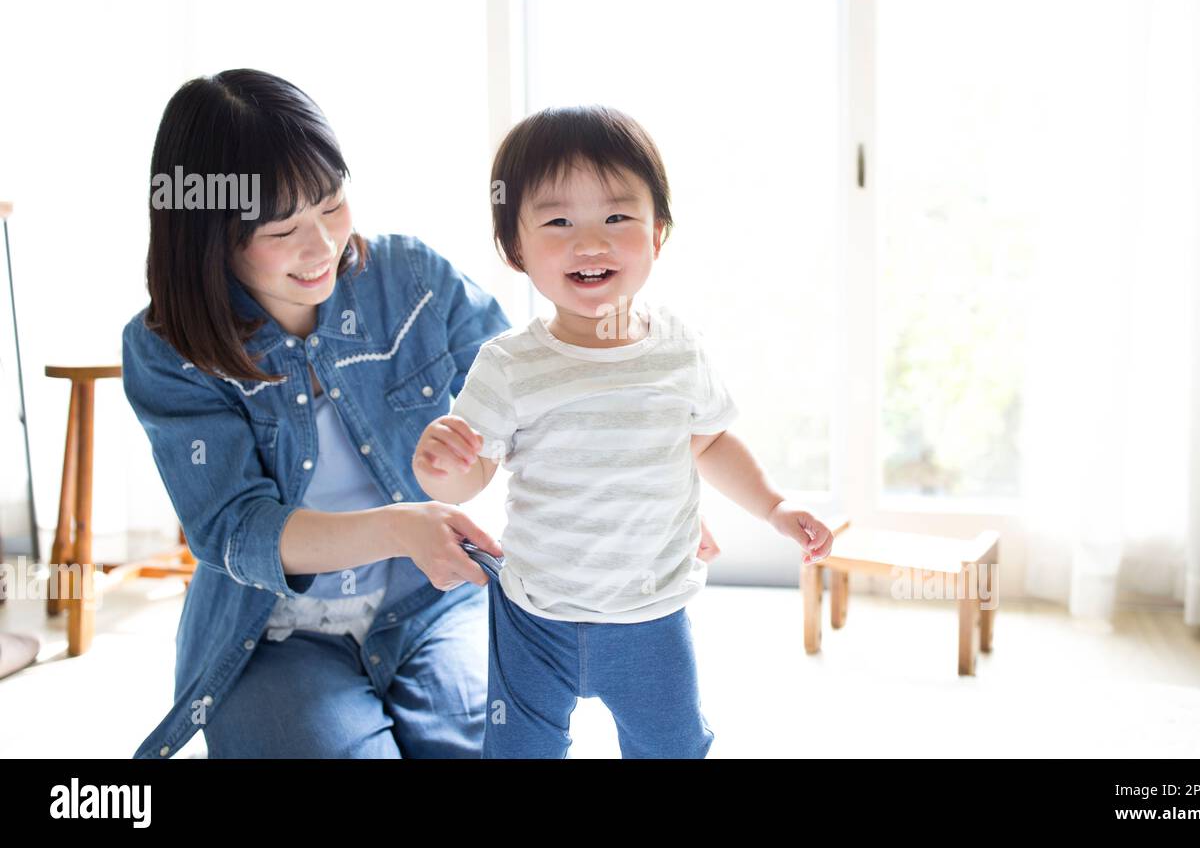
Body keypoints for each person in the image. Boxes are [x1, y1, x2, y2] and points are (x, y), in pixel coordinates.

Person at [414, 105, 835, 758]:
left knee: (671, 743)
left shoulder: (676, 351)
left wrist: (775, 506)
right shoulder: (509, 364)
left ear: (658, 234)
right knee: (518, 748)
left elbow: (710, 442)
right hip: (534, 615)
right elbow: (473, 473)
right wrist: (440, 467)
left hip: (651, 617)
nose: (590, 243)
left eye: (617, 217)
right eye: (558, 221)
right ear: (515, 247)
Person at [121, 68, 513, 758]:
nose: (321, 246)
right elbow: (236, 533)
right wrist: (403, 527)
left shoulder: (411, 280)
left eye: (331, 206)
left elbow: (532, 389)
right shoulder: (166, 351)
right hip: (273, 633)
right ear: (210, 236)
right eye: (283, 230)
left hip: (433, 602)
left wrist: (644, 488)